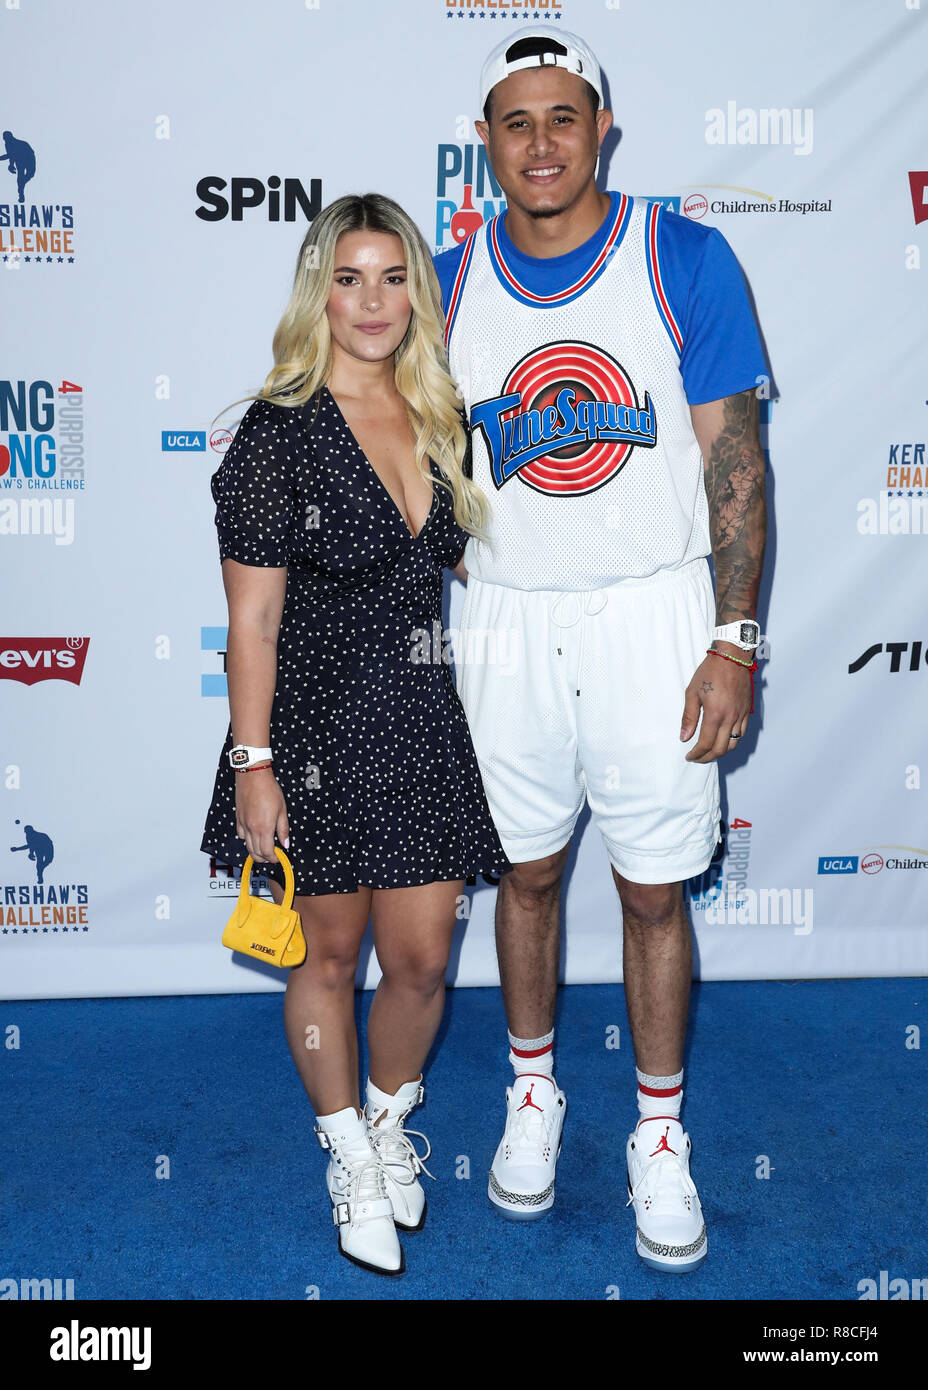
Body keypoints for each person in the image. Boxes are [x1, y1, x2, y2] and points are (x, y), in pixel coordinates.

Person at [433, 28, 768, 1271]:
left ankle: (661, 1133)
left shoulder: (681, 254)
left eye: (562, 118)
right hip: (511, 619)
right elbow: (413, 436)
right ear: (487, 144)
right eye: (515, 123)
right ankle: (532, 1098)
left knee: (649, 889)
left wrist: (733, 637)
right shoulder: (449, 278)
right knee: (523, 876)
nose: (540, 143)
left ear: (602, 128)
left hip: (653, 615)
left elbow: (735, 460)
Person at [200, 192, 510, 1276]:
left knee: (423, 959)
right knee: (330, 954)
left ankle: (387, 1125)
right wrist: (254, 763)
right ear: (316, 292)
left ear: (416, 292)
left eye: (391, 278)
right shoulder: (275, 436)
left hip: (422, 723)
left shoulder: (443, 416)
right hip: (313, 733)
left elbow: (487, 566)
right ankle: (345, 1154)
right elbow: (253, 621)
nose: (370, 302)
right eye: (347, 278)